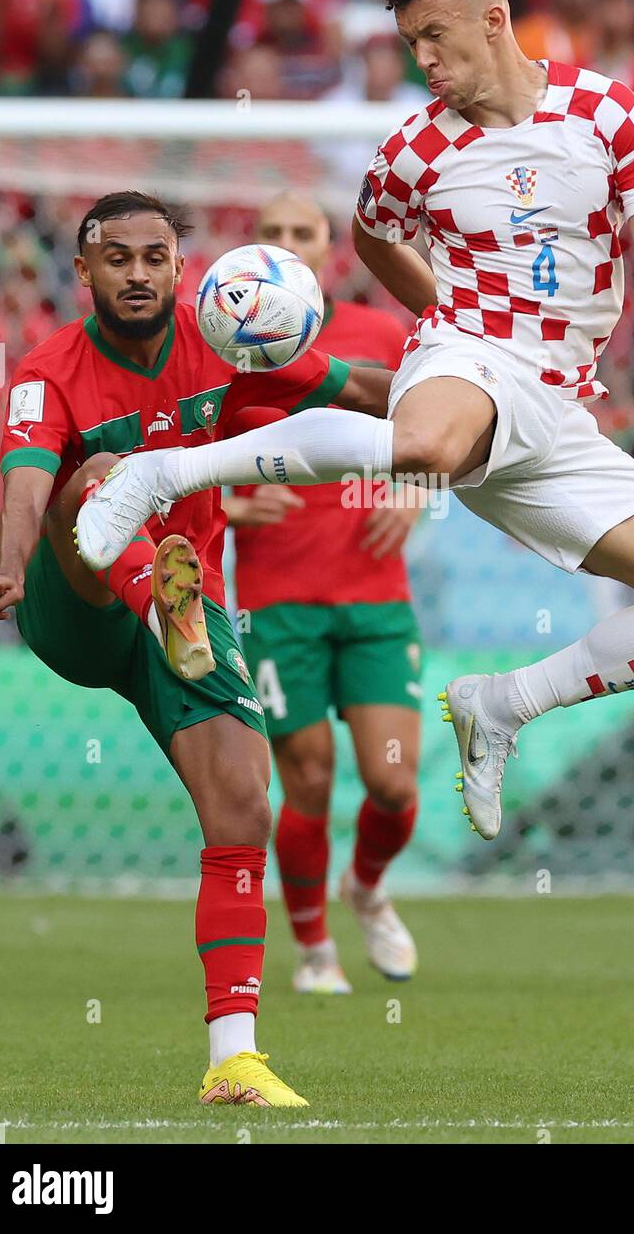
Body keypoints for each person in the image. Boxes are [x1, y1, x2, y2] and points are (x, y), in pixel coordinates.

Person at [75, 0, 634, 848]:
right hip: (464, 359)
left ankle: (501, 704)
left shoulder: (604, 110)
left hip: (554, 409)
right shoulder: (414, 151)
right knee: (422, 444)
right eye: (411, 40)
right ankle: (163, 475)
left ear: (494, 21)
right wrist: (444, 316)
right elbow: (371, 236)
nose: (424, 59)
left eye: (435, 35)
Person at [0, 190, 392, 1107]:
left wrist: (487, 416)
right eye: (116, 259)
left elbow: (356, 389)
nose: (138, 274)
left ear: (179, 267)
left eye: (154, 257)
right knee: (100, 476)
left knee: (243, 805)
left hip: (192, 615)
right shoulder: (49, 371)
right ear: (83, 274)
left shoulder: (227, 344)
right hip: (79, 606)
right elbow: (32, 484)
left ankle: (232, 1061)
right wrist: (3, 568)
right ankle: (161, 602)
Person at [224, 191, 421, 995]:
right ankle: (313, 951)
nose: (284, 245)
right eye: (269, 232)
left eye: (299, 233)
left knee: (394, 781)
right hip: (278, 597)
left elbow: (442, 427)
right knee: (307, 777)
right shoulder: (224, 343)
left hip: (374, 593)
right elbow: (179, 460)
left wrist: (419, 489)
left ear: (329, 250)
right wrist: (232, 504)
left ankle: (367, 888)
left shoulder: (379, 337)